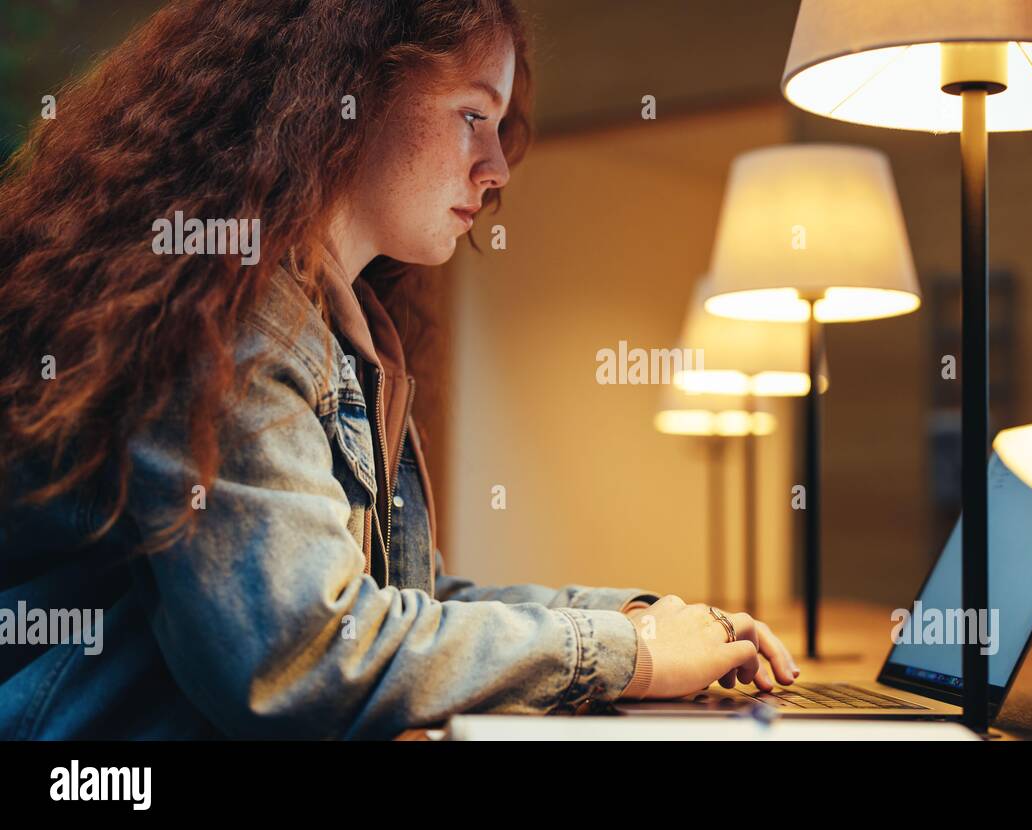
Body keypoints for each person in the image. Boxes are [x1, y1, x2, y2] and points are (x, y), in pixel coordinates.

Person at [0, 0, 796, 739]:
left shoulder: (341, 330)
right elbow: (300, 655)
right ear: (344, 92)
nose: (497, 169)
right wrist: (627, 650)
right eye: (472, 116)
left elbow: (397, 604)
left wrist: (636, 620)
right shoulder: (229, 310)